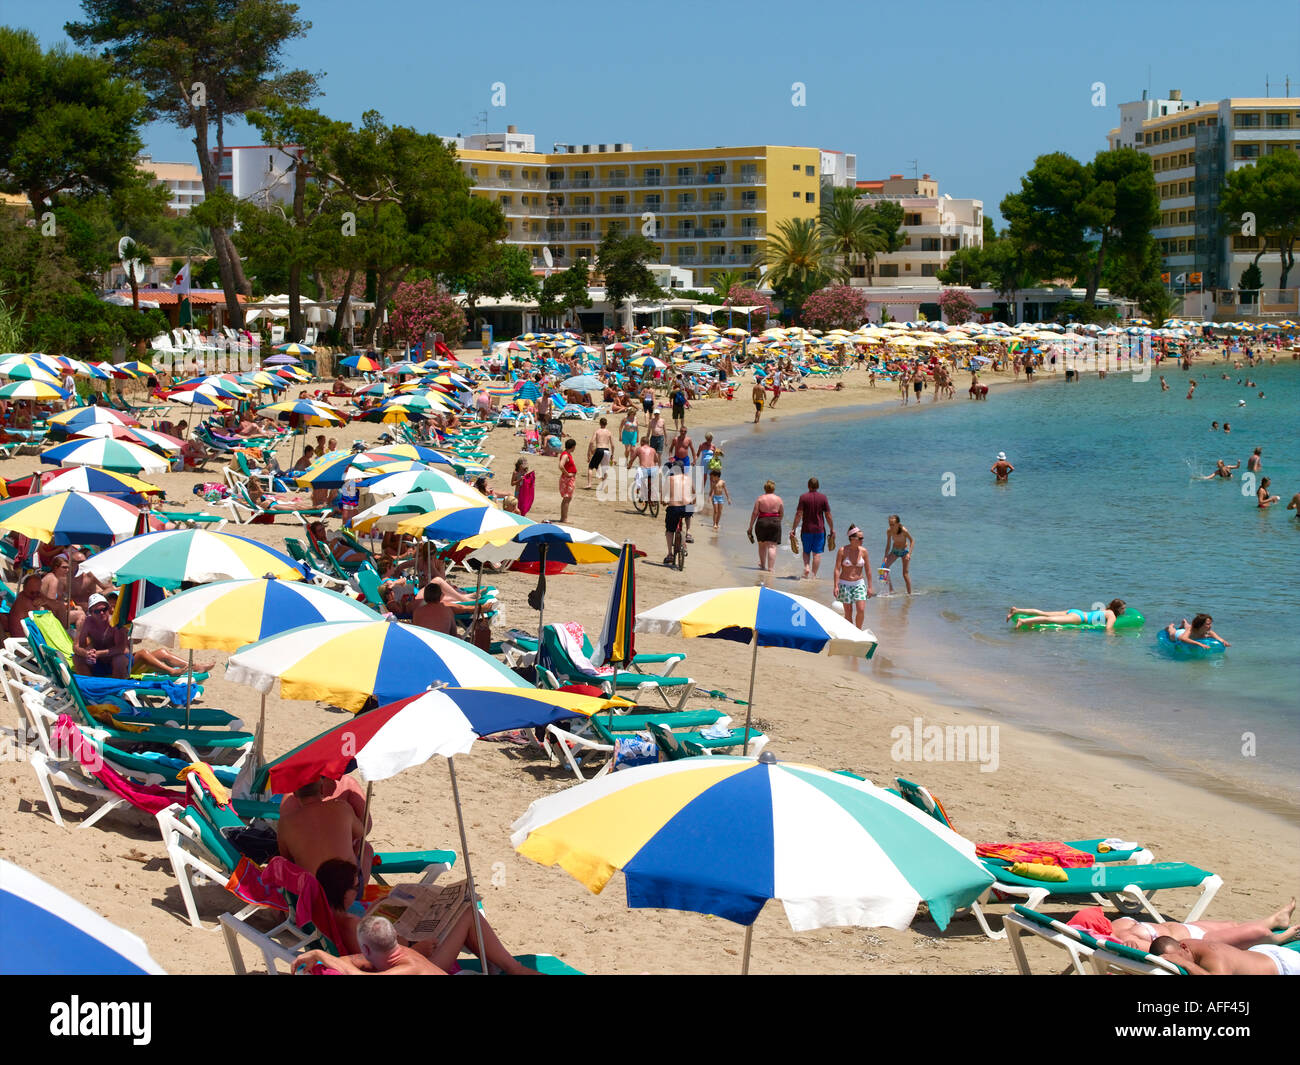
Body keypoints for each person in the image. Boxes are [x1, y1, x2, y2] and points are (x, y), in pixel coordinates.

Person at [277, 777, 371, 891]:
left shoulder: (286, 819)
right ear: (322, 789)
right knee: (365, 847)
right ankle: (360, 892)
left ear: (295, 793)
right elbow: (364, 829)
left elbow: (286, 857)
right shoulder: (344, 797)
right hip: (346, 885)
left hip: (308, 888)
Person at [1150, 935, 1300, 976]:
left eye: (1178, 959)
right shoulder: (1179, 946)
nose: (1176, 963)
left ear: (1184, 947)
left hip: (1285, 966)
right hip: (1258, 954)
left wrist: (1186, 964)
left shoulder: (1213, 955)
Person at [74, 593, 129, 678]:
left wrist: (99, 653)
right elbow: (77, 646)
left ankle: (116, 686)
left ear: (108, 608)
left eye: (104, 609)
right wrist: (86, 653)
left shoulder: (116, 623)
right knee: (77, 658)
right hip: (99, 661)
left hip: (117, 659)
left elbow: (121, 648)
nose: (102, 613)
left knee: (119, 660)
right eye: (97, 611)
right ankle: (90, 686)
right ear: (91, 613)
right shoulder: (86, 623)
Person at [792, 476, 833, 580]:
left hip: (806, 529)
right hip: (819, 530)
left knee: (806, 551)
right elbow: (828, 515)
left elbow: (799, 514)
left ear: (808, 486)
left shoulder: (803, 497)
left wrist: (793, 528)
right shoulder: (823, 498)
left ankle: (806, 567)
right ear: (818, 486)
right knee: (817, 553)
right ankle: (813, 575)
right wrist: (832, 528)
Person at [833, 525, 873, 628]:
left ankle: (858, 631)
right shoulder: (842, 551)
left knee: (861, 609)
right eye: (860, 538)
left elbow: (868, 570)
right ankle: (851, 632)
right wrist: (836, 586)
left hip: (859, 584)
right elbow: (837, 569)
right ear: (852, 538)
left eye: (862, 538)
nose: (862, 540)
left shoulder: (864, 551)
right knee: (848, 612)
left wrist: (869, 587)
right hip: (844, 584)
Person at [1007, 598, 1128, 633]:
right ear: (1117, 609)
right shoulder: (1111, 615)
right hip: (1078, 618)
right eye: (1123, 609)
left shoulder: (1106, 610)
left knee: (1045, 613)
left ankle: (1017, 610)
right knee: (1049, 620)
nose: (1124, 610)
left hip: (1076, 611)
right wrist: (1113, 637)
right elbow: (1108, 629)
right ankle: (1023, 621)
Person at [747, 480, 784, 573]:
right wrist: (778, 521)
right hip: (775, 522)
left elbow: (755, 513)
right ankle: (771, 568)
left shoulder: (760, 499)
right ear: (773, 488)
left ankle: (763, 565)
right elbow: (781, 513)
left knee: (762, 545)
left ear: (765, 488)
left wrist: (750, 526)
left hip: (762, 522)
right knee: (772, 546)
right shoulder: (778, 499)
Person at [662, 462, 696, 564]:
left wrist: (664, 502)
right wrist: (692, 502)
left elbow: (664, 496)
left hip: (674, 508)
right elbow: (694, 492)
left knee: (669, 531)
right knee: (689, 508)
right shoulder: (688, 479)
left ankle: (669, 554)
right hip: (687, 507)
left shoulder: (669, 479)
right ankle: (689, 532)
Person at [7, 574, 49, 639]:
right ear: (24, 589)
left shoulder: (24, 595)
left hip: (28, 638)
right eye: (32, 593)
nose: (35, 595)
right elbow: (42, 624)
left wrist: (45, 600)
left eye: (37, 592)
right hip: (24, 642)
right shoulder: (24, 602)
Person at [882, 514, 914, 595]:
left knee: (905, 574)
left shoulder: (904, 531)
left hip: (904, 551)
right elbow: (888, 544)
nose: (891, 526)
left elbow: (912, 541)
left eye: (893, 524)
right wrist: (885, 556)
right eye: (890, 524)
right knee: (884, 568)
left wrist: (909, 554)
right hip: (895, 551)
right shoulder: (889, 531)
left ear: (898, 524)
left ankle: (909, 594)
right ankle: (891, 590)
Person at [1164, 613, 1230, 650]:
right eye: (1208, 624)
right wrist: (1199, 644)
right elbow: (1183, 639)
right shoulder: (1191, 629)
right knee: (1172, 633)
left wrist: (1224, 642)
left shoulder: (1209, 632)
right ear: (1200, 624)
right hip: (1179, 635)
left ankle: (1184, 623)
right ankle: (1170, 626)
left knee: (1188, 627)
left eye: (1210, 623)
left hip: (1190, 632)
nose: (1210, 626)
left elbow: (1219, 639)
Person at [586, 418, 613, 490]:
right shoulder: (609, 432)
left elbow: (591, 442)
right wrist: (612, 455)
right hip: (607, 450)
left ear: (600, 423)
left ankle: (589, 484)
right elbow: (612, 445)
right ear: (606, 424)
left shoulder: (597, 431)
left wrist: (589, 452)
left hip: (599, 449)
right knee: (604, 469)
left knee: (591, 467)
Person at [557, 439, 577, 523]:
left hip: (568, 479)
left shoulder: (567, 454)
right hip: (567, 479)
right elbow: (561, 466)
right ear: (573, 446)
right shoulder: (566, 455)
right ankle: (564, 518)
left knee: (567, 498)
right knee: (567, 498)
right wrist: (567, 474)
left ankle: (563, 518)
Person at [707, 465, 731, 532]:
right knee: (716, 511)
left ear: (717, 476)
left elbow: (726, 491)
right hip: (715, 497)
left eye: (713, 476)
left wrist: (728, 499)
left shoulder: (722, 482)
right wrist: (709, 497)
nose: (712, 478)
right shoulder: (713, 483)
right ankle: (714, 523)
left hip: (720, 498)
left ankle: (717, 523)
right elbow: (711, 491)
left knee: (720, 512)